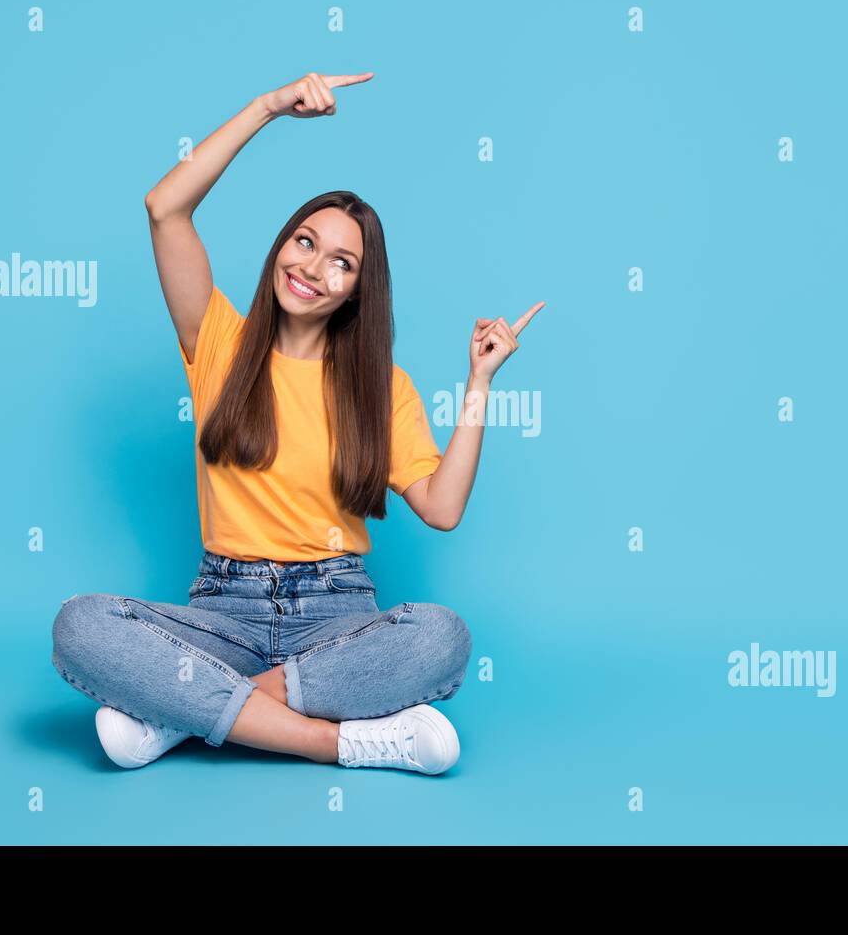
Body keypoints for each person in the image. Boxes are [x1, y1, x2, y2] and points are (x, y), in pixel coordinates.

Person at [50, 71, 543, 776]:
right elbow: (165, 208)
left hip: (337, 613)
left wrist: (479, 383)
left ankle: (186, 717)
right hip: (224, 611)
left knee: (442, 636)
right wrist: (268, 107)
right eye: (305, 242)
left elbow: (443, 507)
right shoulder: (218, 340)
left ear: (356, 292)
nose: (313, 267)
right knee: (79, 624)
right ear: (281, 245)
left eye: (342, 263)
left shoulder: (382, 388)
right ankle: (333, 740)